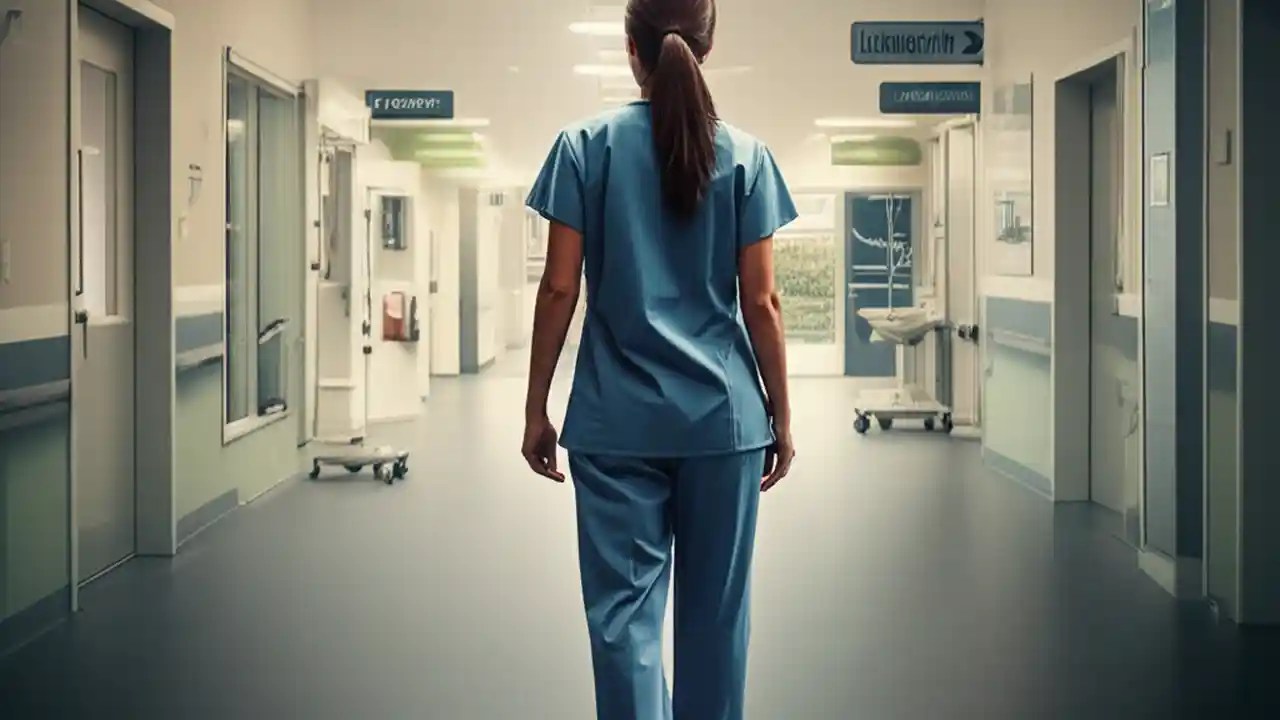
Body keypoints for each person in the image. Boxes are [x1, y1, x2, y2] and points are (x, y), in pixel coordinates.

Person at [521, 0, 795, 717]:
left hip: (615, 425)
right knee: (716, 623)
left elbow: (558, 287)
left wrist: (536, 408)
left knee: (624, 626)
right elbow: (761, 303)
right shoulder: (748, 156)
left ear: (629, 48)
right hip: (722, 425)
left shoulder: (583, 147)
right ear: (707, 48)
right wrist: (782, 417)